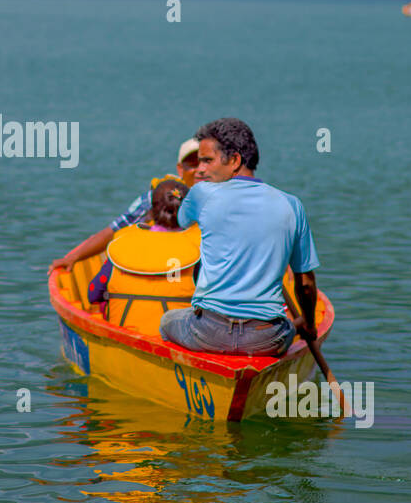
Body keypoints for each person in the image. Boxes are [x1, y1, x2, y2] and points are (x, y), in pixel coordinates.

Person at [160, 118, 319, 356]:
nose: (200, 170)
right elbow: (306, 285)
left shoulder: (201, 193)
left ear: (234, 160)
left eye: (206, 160)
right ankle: (293, 328)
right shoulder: (292, 205)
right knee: (286, 326)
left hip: (208, 332)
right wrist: (308, 324)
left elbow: (183, 220)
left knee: (167, 321)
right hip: (266, 336)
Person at [49, 138, 203, 273]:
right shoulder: (157, 197)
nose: (200, 170)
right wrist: (72, 258)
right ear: (180, 169)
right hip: (166, 268)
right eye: (192, 164)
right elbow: (115, 230)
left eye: (206, 161)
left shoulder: (225, 197)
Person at [88, 178, 191, 311]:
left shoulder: (123, 244)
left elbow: (93, 294)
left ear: (151, 211)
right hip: (176, 328)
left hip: (126, 323)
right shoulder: (198, 247)